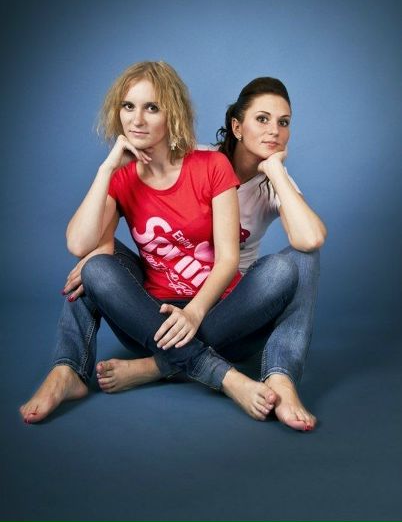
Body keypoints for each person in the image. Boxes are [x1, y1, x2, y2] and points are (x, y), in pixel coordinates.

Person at [20, 62, 304, 425]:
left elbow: (228, 260)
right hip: (151, 321)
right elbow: (78, 243)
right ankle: (71, 370)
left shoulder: (212, 166)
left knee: (282, 269)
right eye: (128, 106)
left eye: (151, 107)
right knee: (95, 265)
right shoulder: (121, 176)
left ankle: (155, 367)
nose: (137, 119)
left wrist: (194, 313)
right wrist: (106, 169)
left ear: (173, 114)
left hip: (223, 318)